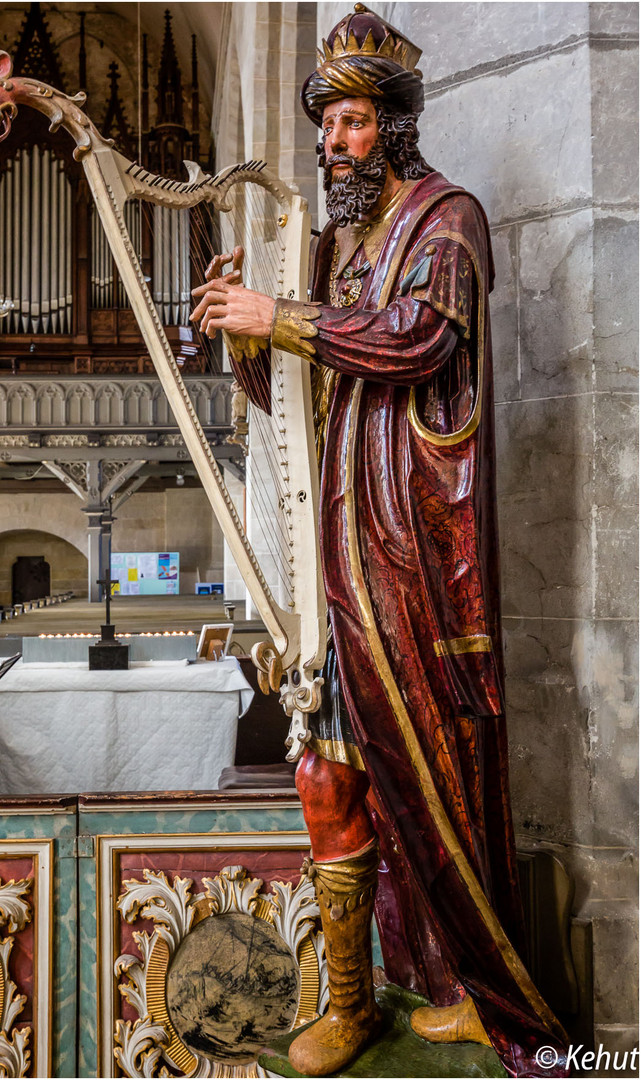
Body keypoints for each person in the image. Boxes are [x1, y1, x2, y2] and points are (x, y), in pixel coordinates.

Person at [191, 6, 566, 1075]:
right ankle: (355, 1001)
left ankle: (480, 990)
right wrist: (239, 331)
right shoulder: (333, 240)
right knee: (328, 775)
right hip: (338, 557)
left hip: (414, 557)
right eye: (327, 126)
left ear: (394, 128)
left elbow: (414, 341)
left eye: (353, 124)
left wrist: (288, 318)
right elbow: (297, 393)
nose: (333, 143)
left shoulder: (448, 220)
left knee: (432, 774)